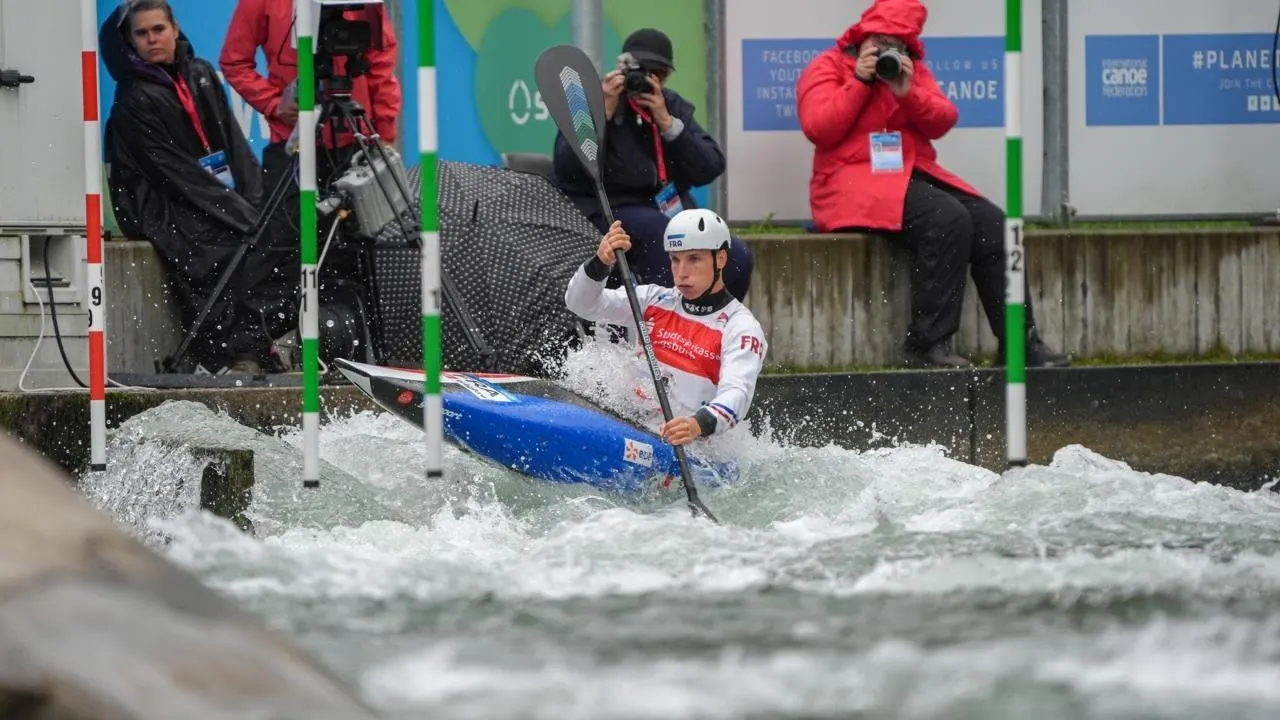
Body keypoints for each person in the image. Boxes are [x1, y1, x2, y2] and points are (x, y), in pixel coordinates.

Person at [796, 0, 1069, 369]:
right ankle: (927, 344)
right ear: (862, 37)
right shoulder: (828, 65)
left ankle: (1020, 341)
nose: (887, 52)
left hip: (908, 175)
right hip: (848, 184)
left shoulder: (913, 71)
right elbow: (819, 128)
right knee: (947, 218)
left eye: (897, 44)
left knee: (995, 223)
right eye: (880, 42)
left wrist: (906, 91)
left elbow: (942, 120)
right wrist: (859, 81)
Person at [103, 0, 294, 374]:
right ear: (130, 42)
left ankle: (255, 342)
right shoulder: (133, 99)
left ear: (175, 30)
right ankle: (228, 352)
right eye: (141, 34)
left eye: (158, 29)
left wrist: (258, 208)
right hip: (159, 206)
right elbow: (176, 175)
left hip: (207, 196)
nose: (152, 40)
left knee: (274, 241)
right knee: (222, 249)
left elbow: (237, 148)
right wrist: (243, 217)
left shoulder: (201, 74)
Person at [551, 28, 755, 303]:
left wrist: (667, 123)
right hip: (608, 206)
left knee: (736, 255)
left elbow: (710, 166)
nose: (647, 81)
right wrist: (603, 113)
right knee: (665, 234)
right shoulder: (595, 99)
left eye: (657, 75)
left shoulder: (670, 105)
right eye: (643, 71)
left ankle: (714, 324)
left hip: (664, 201)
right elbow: (566, 167)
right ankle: (670, 325)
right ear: (622, 69)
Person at [564, 209, 767, 446]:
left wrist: (696, 425)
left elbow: (737, 394)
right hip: (637, 432)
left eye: (694, 259)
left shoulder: (741, 327)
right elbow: (581, 304)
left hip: (697, 449)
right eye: (675, 259)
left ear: (720, 258)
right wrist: (600, 263)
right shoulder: (653, 299)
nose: (681, 273)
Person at [219, 0, 403, 232]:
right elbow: (234, 61)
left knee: (357, 242)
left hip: (355, 143)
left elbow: (381, 64)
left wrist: (385, 133)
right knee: (283, 243)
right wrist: (273, 104)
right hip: (292, 141)